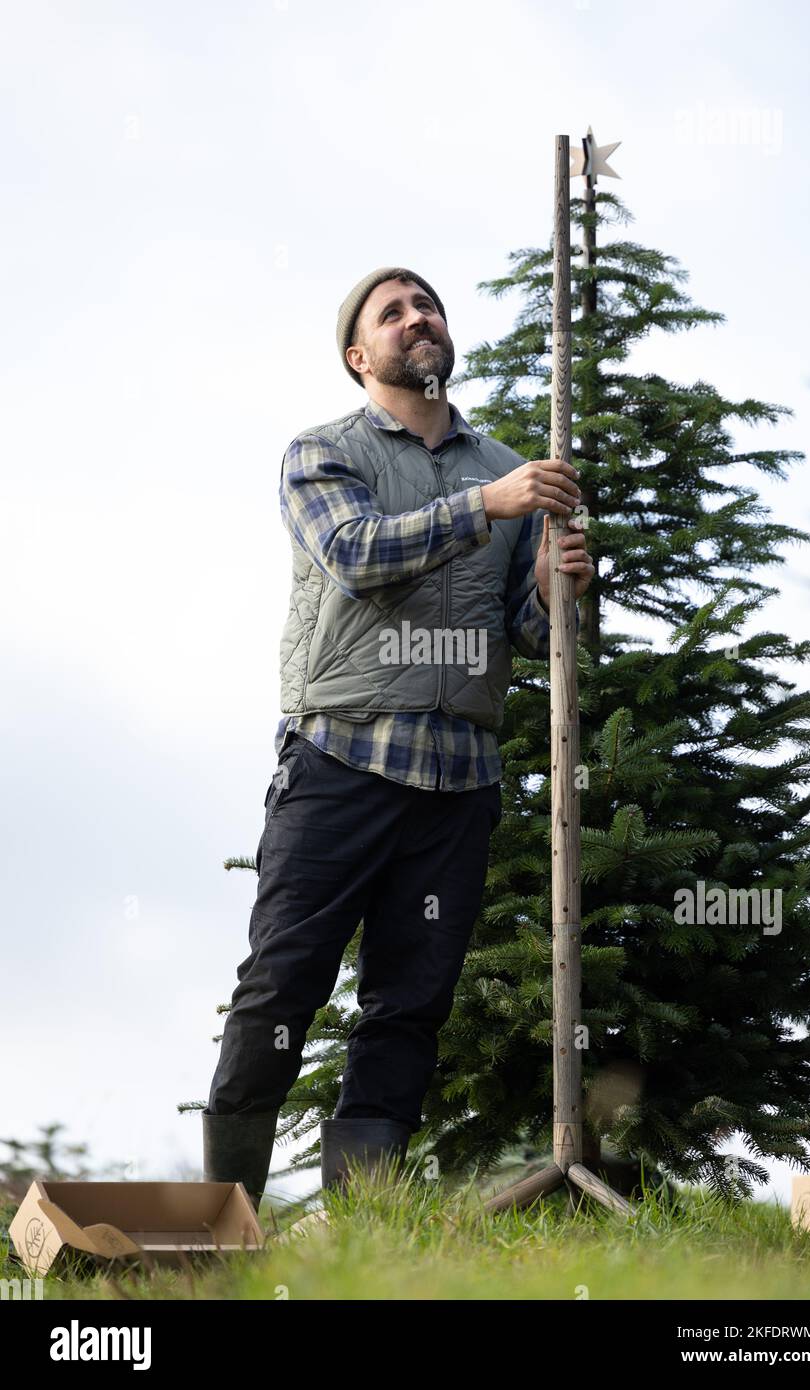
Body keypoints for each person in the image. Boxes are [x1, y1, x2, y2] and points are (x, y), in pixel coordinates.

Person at [202, 266, 594, 1210]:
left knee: (408, 1010)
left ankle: (360, 1237)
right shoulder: (321, 452)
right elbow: (357, 557)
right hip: (341, 760)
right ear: (359, 355)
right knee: (281, 988)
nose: (418, 319)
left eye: (429, 306)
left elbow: (533, 641)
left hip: (457, 781)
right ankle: (221, 1228)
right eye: (394, 312)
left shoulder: (502, 465)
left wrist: (556, 588)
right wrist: (486, 509)